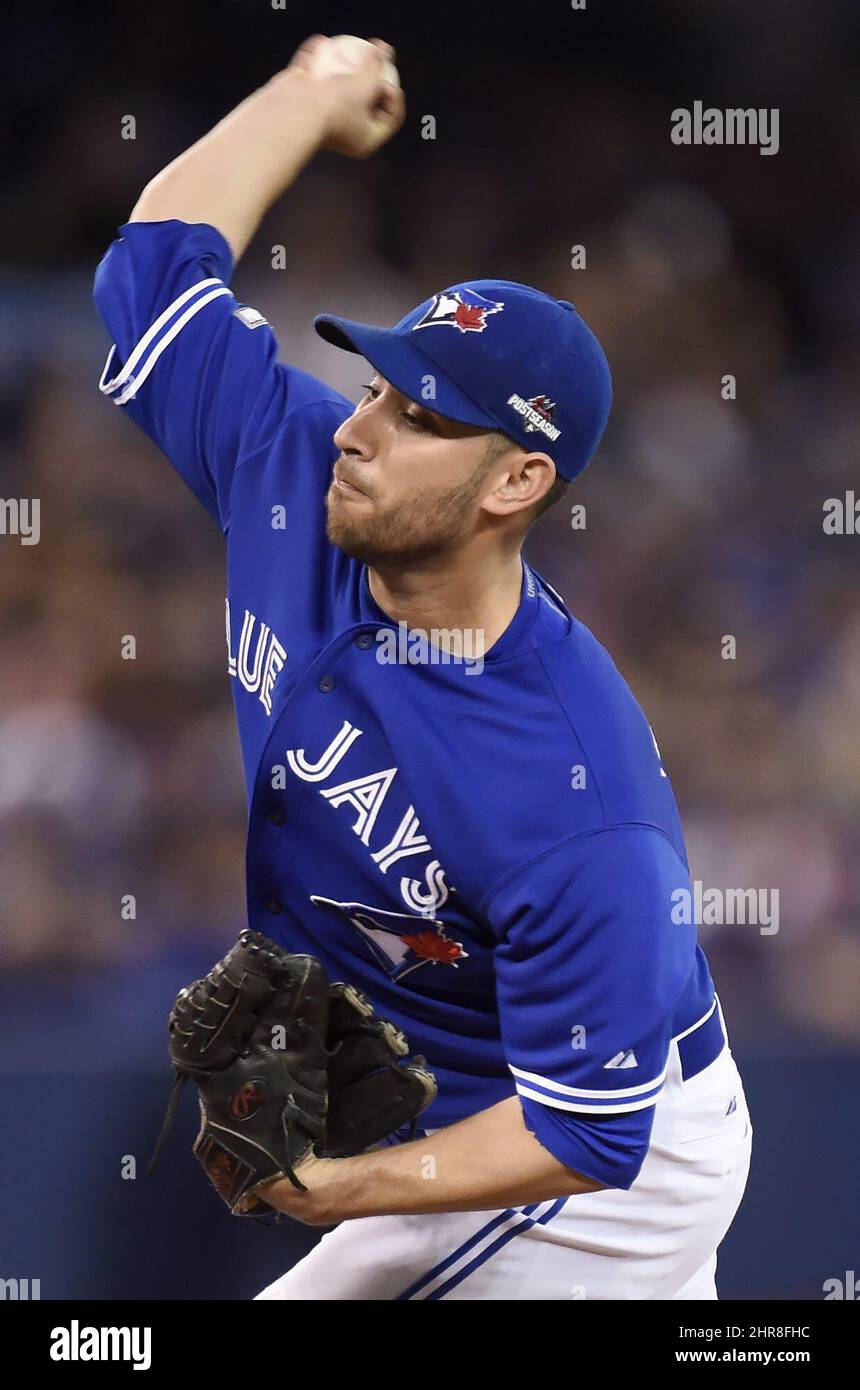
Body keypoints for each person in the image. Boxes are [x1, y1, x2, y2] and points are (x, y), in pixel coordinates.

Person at [94, 35, 752, 1300]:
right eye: (378, 384)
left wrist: (335, 1189)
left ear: (518, 480)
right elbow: (152, 272)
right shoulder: (296, 470)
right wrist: (307, 95)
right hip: (496, 1118)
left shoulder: (571, 788)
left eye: (423, 417)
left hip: (599, 1168)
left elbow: (587, 1132)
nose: (361, 428)